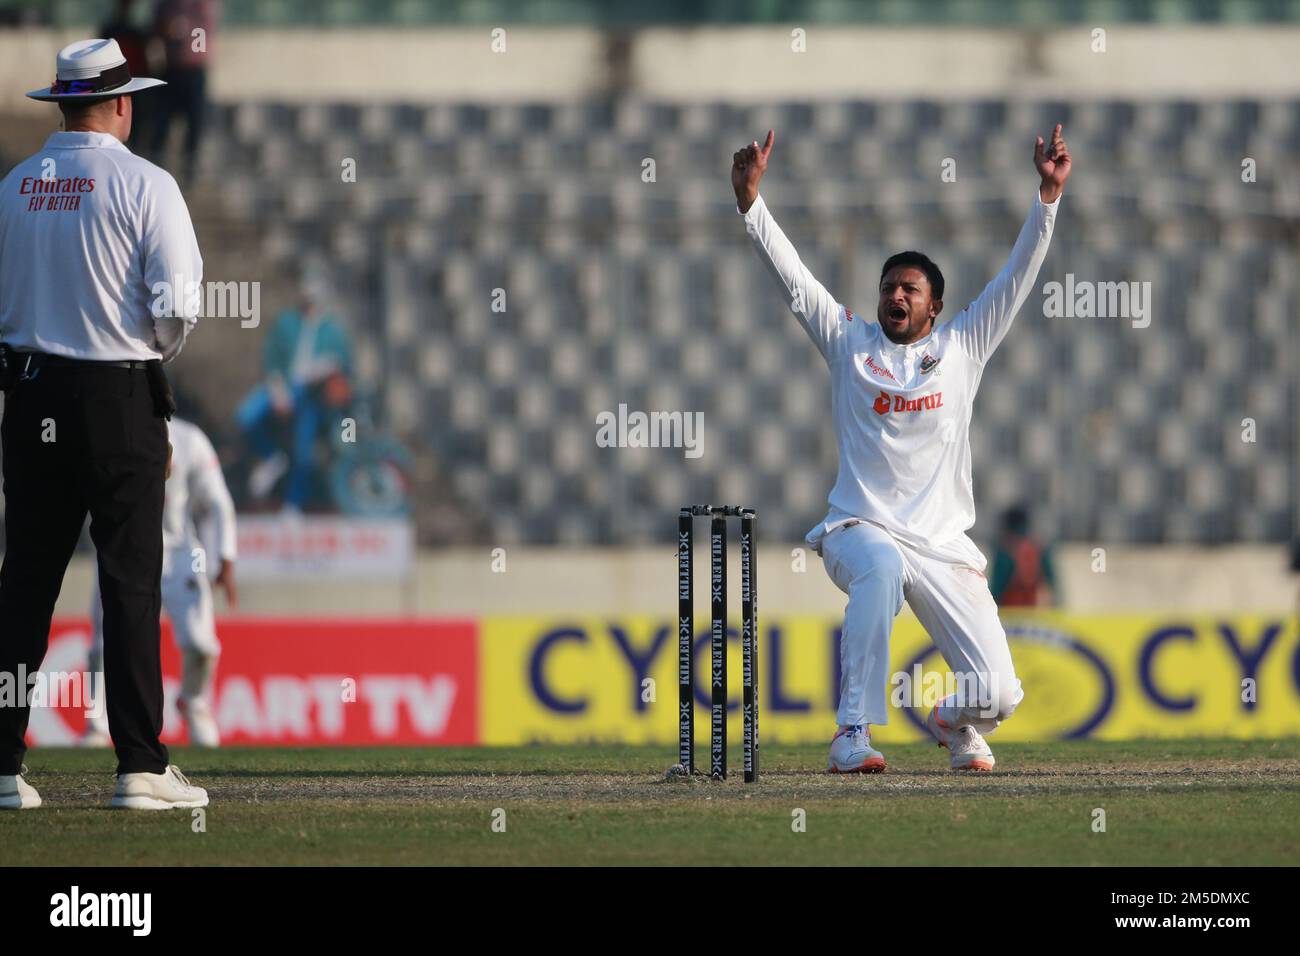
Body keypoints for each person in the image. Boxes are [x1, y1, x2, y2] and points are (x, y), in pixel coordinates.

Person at [734, 124, 1071, 773]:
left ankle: (952, 721)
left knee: (1000, 692)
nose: (895, 295)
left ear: (934, 307)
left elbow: (1017, 276)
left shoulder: (963, 348)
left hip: (943, 543)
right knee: (881, 567)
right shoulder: (848, 343)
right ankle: (850, 733)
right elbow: (794, 280)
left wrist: (1047, 197)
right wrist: (752, 205)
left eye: (910, 289)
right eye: (889, 286)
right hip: (859, 527)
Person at [0, 38, 208, 810]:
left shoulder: (15, 188)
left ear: (61, 103)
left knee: (24, 582)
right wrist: (139, 356)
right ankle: (139, 765)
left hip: (29, 397)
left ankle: (0, 763)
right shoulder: (146, 183)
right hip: (117, 397)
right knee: (128, 582)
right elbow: (178, 306)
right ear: (121, 104)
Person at [83, 414, 238, 748]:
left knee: (201, 644)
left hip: (180, 554)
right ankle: (96, 723)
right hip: (121, 548)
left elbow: (217, 500)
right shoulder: (113, 429)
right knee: (102, 644)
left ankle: (193, 702)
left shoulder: (189, 439)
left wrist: (225, 555)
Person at [237, 267, 354, 512]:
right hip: (284, 387)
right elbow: (271, 360)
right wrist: (279, 390)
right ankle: (271, 457)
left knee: (304, 450)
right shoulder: (286, 323)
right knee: (246, 415)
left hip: (313, 397)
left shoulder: (333, 330)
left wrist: (325, 370)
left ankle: (294, 503)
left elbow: (342, 366)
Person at [148, 0, 219, 185]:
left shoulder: (202, 4)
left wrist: (183, 27)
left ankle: (190, 173)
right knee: (161, 124)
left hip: (194, 71)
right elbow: (155, 29)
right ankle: (156, 171)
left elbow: (203, 30)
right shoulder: (166, 5)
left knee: (194, 125)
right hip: (171, 69)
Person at [990, 505, 1057, 607]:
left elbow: (996, 590)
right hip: (1031, 614)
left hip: (1007, 614)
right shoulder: (1039, 548)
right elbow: (1053, 587)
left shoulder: (1004, 552)